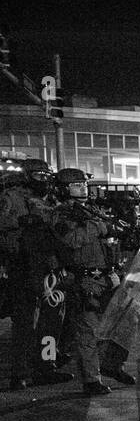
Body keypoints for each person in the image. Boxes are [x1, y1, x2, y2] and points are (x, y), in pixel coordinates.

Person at [1, 158, 68, 388]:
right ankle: (20, 373)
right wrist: (21, 225)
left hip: (49, 266)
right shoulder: (11, 197)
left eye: (47, 176)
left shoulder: (50, 199)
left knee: (52, 322)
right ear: (28, 176)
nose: (45, 180)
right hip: (24, 266)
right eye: (40, 175)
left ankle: (46, 366)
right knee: (25, 323)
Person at [49, 168, 113, 395]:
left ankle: (107, 366)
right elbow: (72, 239)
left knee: (111, 324)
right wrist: (98, 226)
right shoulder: (61, 214)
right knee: (88, 329)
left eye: (83, 183)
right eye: (76, 185)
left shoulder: (89, 210)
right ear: (64, 189)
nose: (82, 187)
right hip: (82, 276)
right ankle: (91, 379)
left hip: (103, 274)